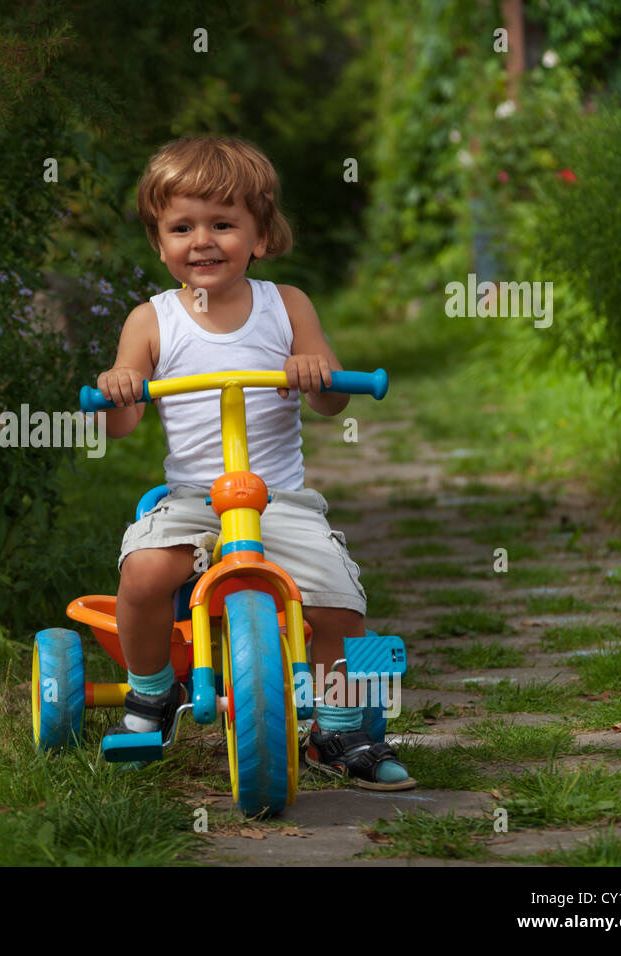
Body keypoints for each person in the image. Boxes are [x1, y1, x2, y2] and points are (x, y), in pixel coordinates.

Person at [94, 136, 413, 790]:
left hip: (280, 503)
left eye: (223, 224)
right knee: (144, 571)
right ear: (160, 244)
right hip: (192, 500)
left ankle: (337, 725)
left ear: (260, 236)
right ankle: (150, 691)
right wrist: (118, 387)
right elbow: (122, 422)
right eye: (182, 227)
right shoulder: (150, 322)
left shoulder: (286, 305)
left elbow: (325, 401)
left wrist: (312, 369)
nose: (202, 240)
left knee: (338, 603)